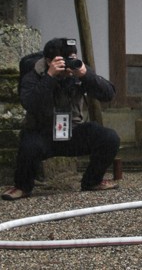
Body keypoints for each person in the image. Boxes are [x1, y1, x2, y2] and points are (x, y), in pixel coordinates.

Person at [3, 38, 120, 200]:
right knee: (28, 146)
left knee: (109, 138)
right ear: (48, 61)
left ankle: (92, 181)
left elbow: (109, 95)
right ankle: (22, 186)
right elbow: (30, 103)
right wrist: (49, 77)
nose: (66, 68)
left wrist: (87, 75)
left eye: (69, 61)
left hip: (72, 131)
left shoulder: (77, 71)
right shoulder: (34, 73)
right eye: (62, 62)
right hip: (42, 132)